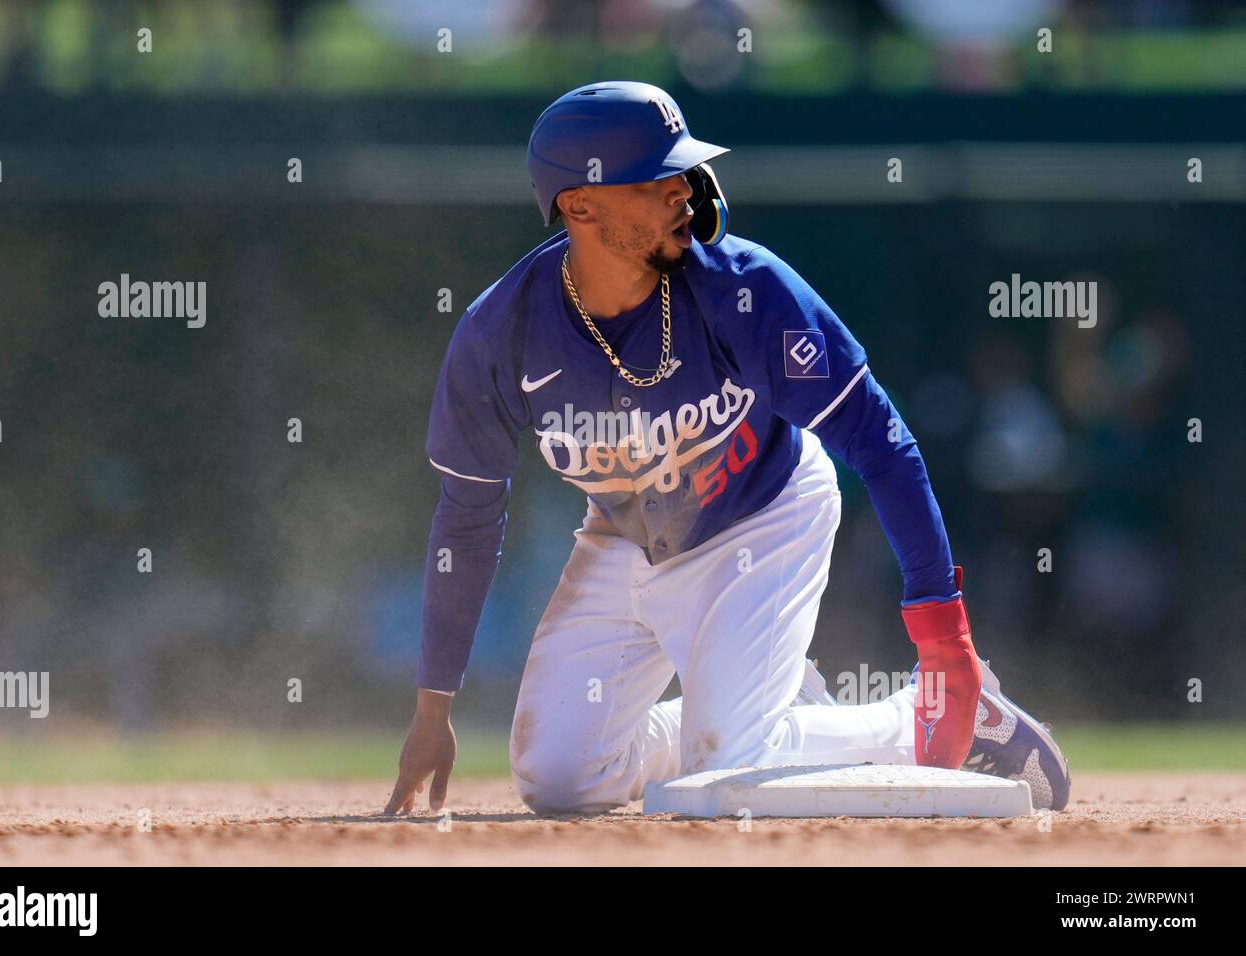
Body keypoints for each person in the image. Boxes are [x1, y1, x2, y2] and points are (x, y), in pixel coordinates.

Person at [383, 81, 1069, 816]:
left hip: (763, 517)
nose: (685, 190)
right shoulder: (502, 333)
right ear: (579, 205)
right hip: (624, 538)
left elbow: (881, 441)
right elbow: (467, 517)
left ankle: (922, 719)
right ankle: (774, 711)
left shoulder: (743, 289)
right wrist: (433, 708)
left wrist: (944, 638)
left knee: (731, 770)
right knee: (559, 778)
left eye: (685, 170)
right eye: (656, 178)